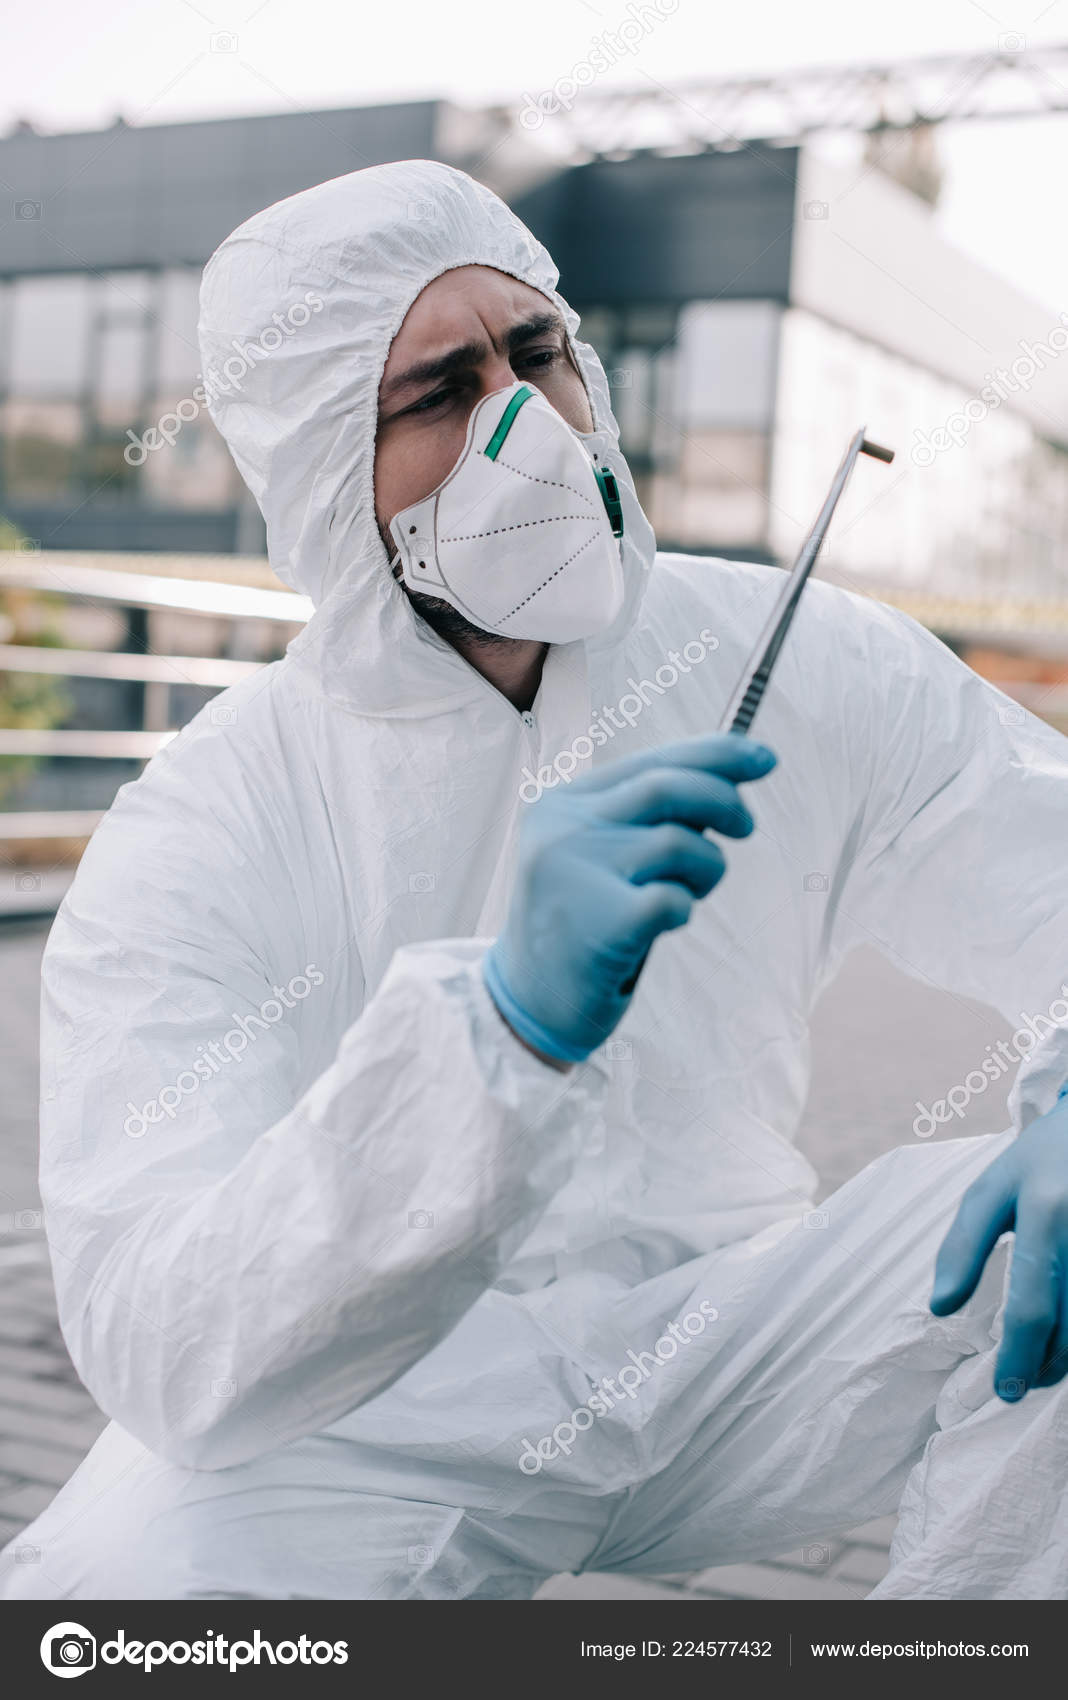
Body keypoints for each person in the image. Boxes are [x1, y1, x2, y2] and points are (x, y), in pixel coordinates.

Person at [2, 159, 1068, 1602]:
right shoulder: (203, 828)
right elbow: (165, 1342)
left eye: (541, 353)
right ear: (325, 475)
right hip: (365, 1415)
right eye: (438, 397)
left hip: (730, 1351)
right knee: (110, 1626)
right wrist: (492, 1039)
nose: (532, 424)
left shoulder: (795, 654)